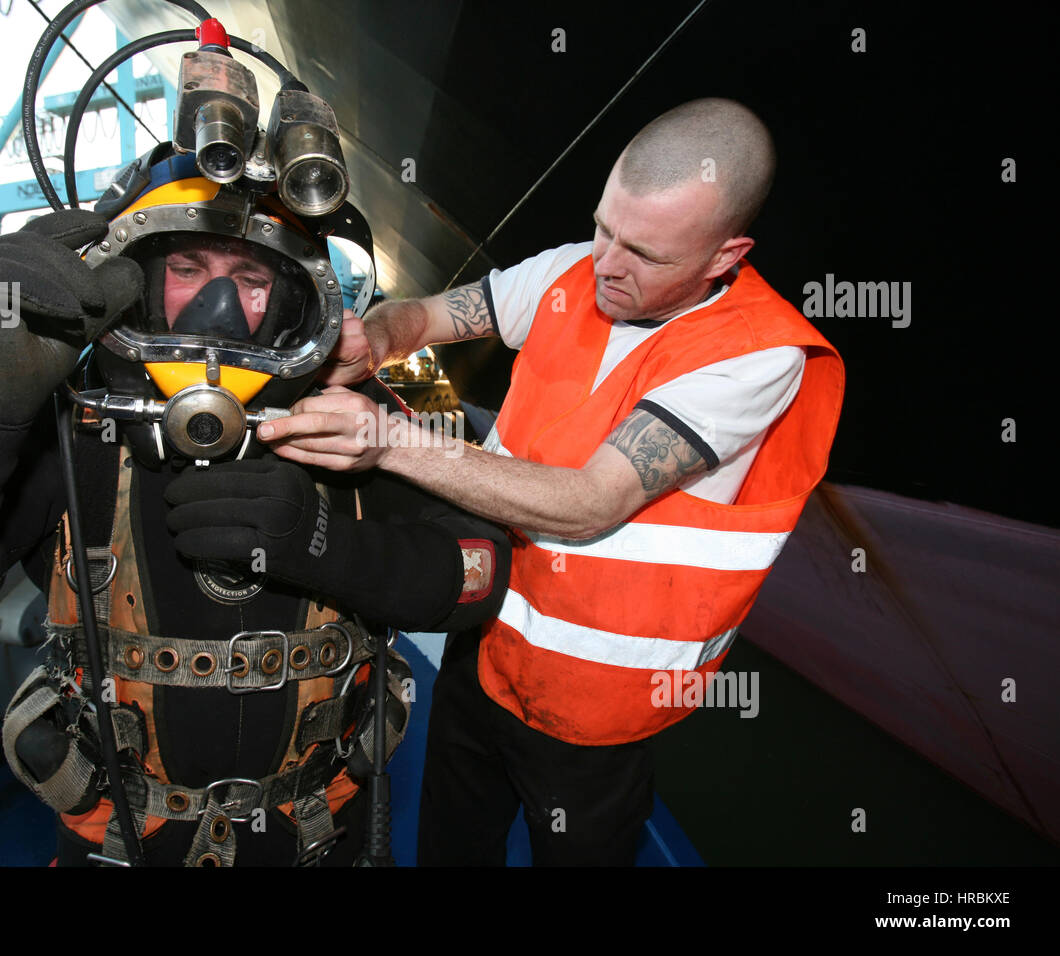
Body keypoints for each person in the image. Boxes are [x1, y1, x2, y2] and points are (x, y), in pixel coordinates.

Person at [0, 147, 510, 867]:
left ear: (292, 294)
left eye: (250, 278)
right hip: (118, 847)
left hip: (318, 841)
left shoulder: (348, 415)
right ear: (140, 278)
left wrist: (325, 547)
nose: (217, 308)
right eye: (187, 268)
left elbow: (479, 575)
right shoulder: (72, 422)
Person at [257, 98, 846, 865]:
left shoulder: (755, 358)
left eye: (646, 255)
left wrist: (384, 440)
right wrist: (378, 338)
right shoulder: (571, 272)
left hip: (594, 709)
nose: (606, 263)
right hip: (485, 638)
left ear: (725, 256)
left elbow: (588, 504)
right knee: (449, 846)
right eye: (605, 227)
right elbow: (429, 318)